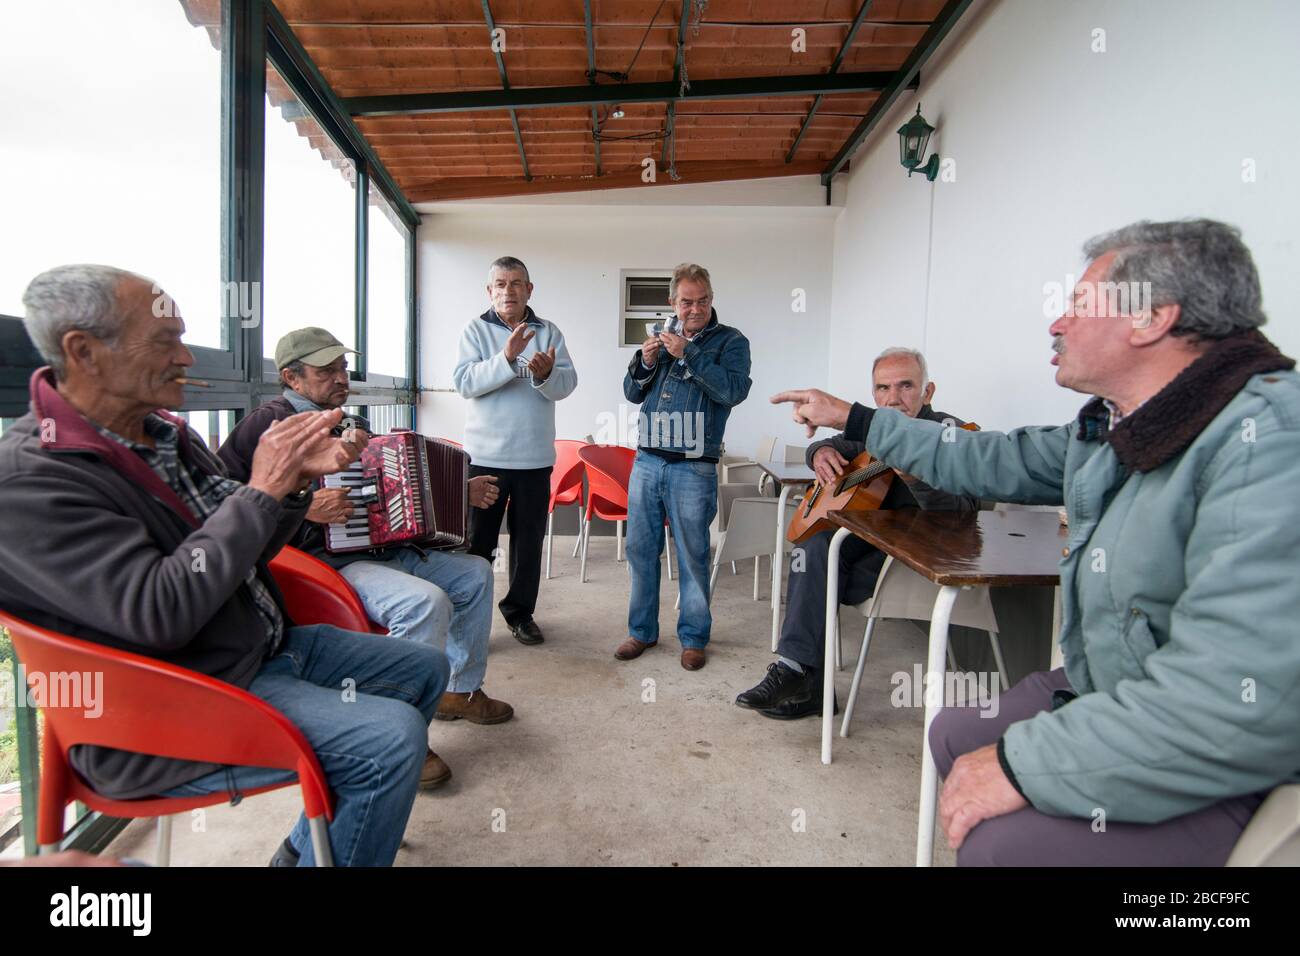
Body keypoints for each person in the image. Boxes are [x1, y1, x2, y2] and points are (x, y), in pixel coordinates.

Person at [773, 219, 1300, 865]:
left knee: (1001, 841)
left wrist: (1023, 764)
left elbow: (1233, 701)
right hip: (1109, 684)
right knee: (953, 730)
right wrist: (850, 419)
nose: (1056, 324)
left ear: (1153, 318)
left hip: (1240, 765)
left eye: (1079, 306)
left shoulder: (1270, 444)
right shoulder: (1114, 428)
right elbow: (981, 456)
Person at [0, 265, 447, 866]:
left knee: (422, 668)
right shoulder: (30, 479)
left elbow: (247, 548)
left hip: (250, 649)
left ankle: (306, 848)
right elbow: (158, 614)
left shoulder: (163, 437)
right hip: (169, 705)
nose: (186, 358)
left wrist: (289, 491)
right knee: (388, 742)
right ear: (86, 352)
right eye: (165, 340)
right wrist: (264, 489)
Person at [219, 329, 514, 789]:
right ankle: (402, 738)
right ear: (290, 378)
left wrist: (461, 489)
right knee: (424, 603)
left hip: (378, 548)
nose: (341, 378)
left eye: (342, 369)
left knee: (474, 572)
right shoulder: (267, 425)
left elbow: (401, 485)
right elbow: (220, 499)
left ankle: (458, 690)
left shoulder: (346, 420)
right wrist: (302, 506)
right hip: (322, 564)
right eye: (326, 371)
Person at [735, 348, 976, 719]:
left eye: (905, 386)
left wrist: (912, 471)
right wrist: (820, 452)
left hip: (916, 561)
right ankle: (799, 674)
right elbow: (831, 443)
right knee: (811, 547)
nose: (893, 398)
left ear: (927, 392)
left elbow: (961, 514)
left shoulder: (951, 433)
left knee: (816, 573)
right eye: (883, 389)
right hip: (870, 545)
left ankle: (803, 680)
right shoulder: (876, 430)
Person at [614, 263, 752, 671]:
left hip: (694, 466)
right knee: (640, 549)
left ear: (712, 299)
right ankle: (641, 632)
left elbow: (732, 391)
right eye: (687, 301)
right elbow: (631, 393)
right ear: (672, 302)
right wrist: (643, 360)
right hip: (648, 460)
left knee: (692, 553)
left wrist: (687, 352)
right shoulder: (659, 337)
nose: (696, 308)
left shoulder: (731, 341)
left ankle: (693, 638)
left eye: (703, 300)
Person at [453, 256, 577, 645]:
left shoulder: (549, 331)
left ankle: (520, 614)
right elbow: (465, 383)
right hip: (484, 461)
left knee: (528, 546)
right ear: (490, 292)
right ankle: (469, 619)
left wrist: (545, 375)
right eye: (501, 284)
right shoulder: (474, 331)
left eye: (517, 283)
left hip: (534, 460)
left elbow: (566, 385)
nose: (509, 290)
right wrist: (506, 358)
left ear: (529, 290)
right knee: (478, 546)